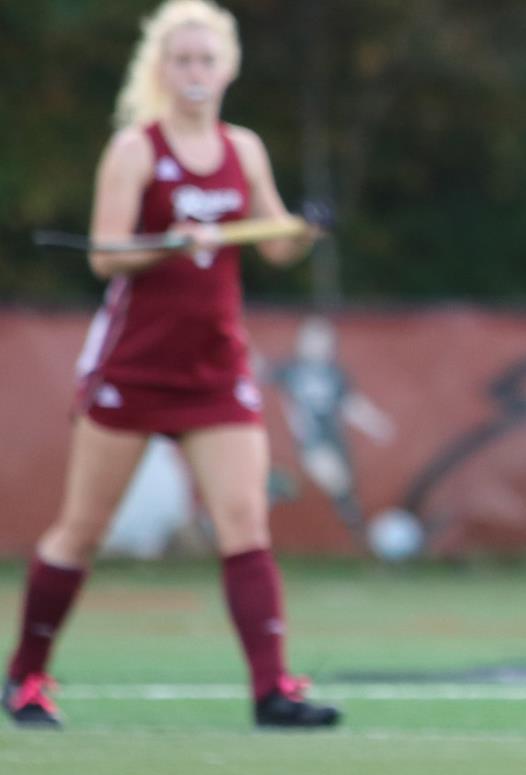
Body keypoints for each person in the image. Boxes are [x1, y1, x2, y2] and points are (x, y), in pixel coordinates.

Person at [3, 0, 340, 730]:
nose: (194, 72)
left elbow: (274, 243)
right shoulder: (135, 150)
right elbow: (104, 256)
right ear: (162, 68)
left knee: (245, 520)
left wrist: (304, 232)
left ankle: (271, 690)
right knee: (83, 529)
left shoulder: (243, 149)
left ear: (227, 67)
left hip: (216, 369)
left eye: (206, 59)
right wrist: (169, 243)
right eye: (181, 59)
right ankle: (26, 678)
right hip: (136, 367)